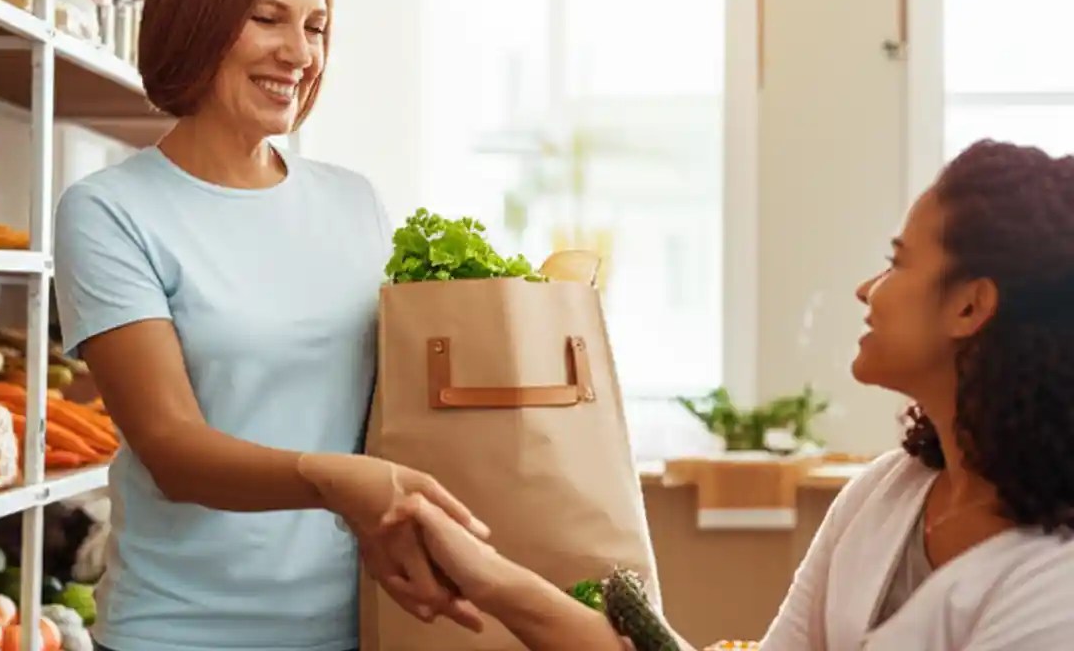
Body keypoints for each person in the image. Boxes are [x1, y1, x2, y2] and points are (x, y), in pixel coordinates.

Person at [385, 139, 1074, 651]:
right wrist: (489, 579)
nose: (868, 288)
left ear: (969, 307)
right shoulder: (886, 493)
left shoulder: (1055, 580)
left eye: (896, 262)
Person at [51, 0, 483, 650]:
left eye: (315, 28)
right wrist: (346, 481)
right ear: (198, 18)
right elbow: (172, 448)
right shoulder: (110, 211)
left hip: (357, 629)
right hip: (177, 633)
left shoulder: (356, 204)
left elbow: (392, 409)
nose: (300, 52)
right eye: (267, 17)